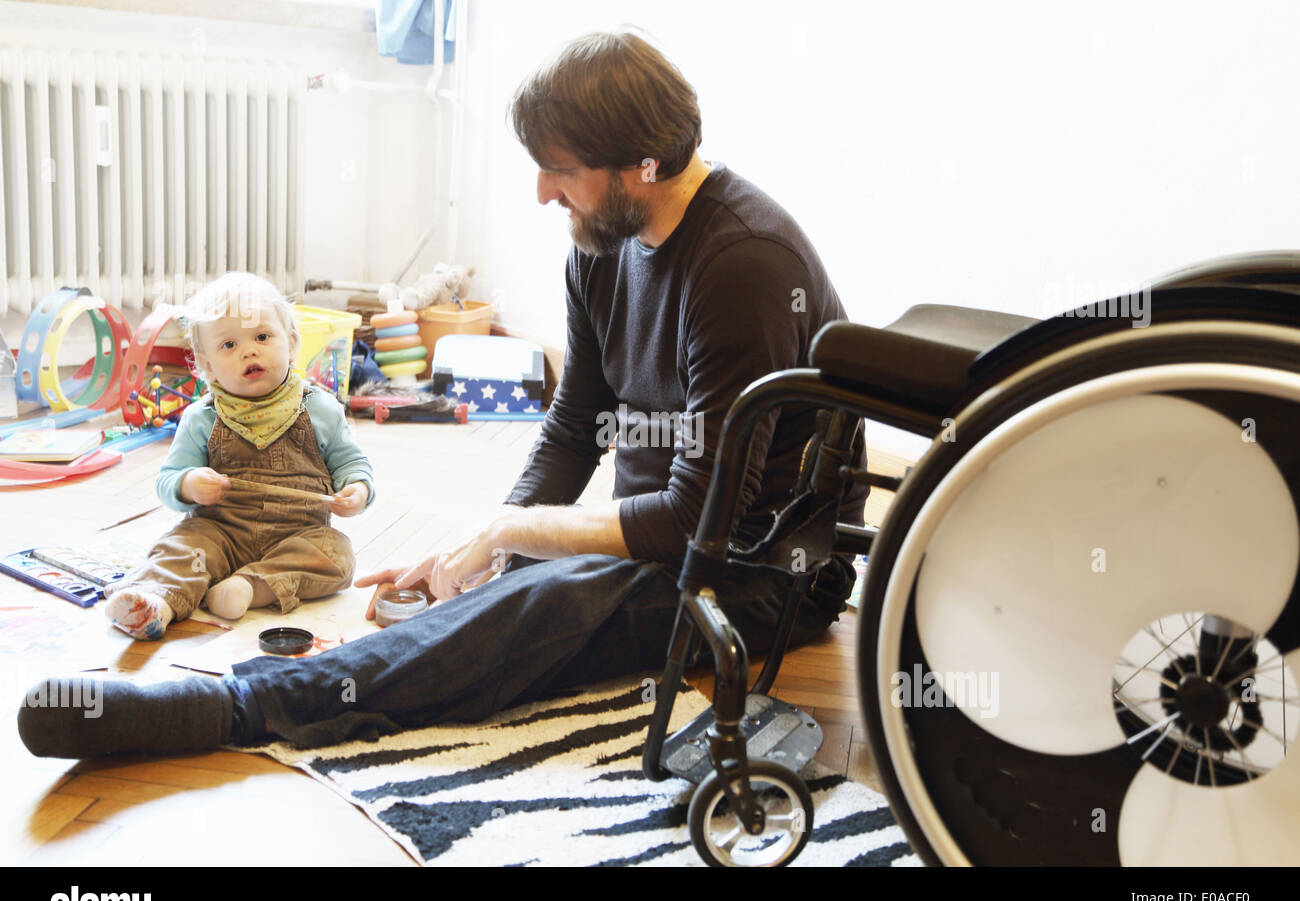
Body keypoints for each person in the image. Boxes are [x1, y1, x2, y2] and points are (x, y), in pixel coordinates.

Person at [17, 31, 864, 759]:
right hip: (666, 539)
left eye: (559, 170)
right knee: (507, 572)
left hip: (758, 573)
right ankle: (405, 642)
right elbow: (574, 428)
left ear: (641, 165)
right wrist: (487, 543)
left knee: (542, 600)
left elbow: (694, 523)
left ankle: (237, 708)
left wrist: (510, 536)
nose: (541, 192)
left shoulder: (746, 266)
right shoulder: (601, 244)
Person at [102, 271, 374, 640]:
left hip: (298, 535)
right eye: (228, 345)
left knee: (337, 557)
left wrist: (356, 491)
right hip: (219, 534)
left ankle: (249, 587)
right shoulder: (203, 417)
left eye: (263, 336)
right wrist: (190, 484)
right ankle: (155, 603)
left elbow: (352, 464)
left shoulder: (320, 409)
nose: (249, 350)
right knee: (182, 549)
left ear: (291, 342)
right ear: (207, 365)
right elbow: (168, 479)